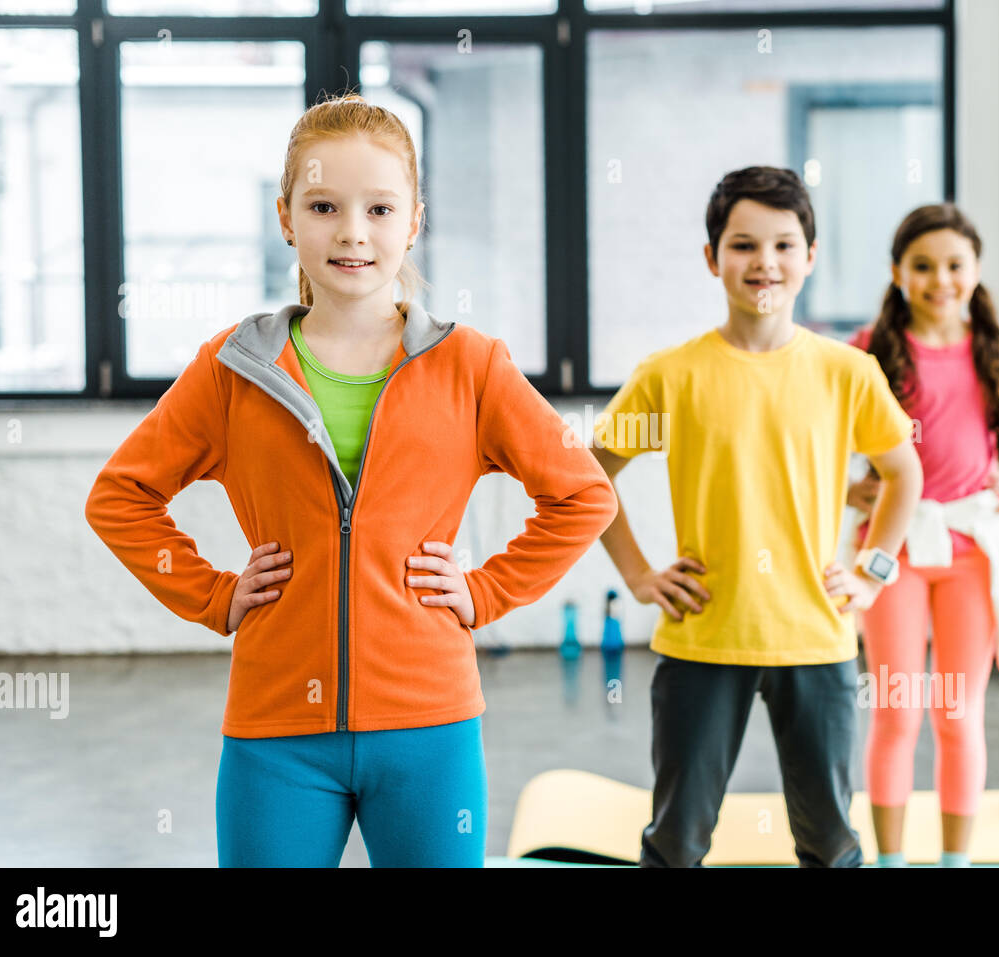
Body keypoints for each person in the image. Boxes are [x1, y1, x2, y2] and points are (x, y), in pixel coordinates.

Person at [84, 92, 618, 867]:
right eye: (325, 205)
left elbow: (583, 494)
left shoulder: (472, 365)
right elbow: (120, 497)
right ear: (286, 217)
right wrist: (213, 593)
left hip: (429, 727)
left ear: (414, 219)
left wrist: (487, 590)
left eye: (379, 207)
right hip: (276, 735)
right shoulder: (235, 369)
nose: (352, 233)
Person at [592, 166, 923, 868]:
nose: (764, 262)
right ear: (712, 258)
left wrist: (872, 574)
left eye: (782, 244)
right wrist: (640, 574)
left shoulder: (848, 373)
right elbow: (590, 477)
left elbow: (904, 474)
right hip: (703, 637)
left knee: (831, 845)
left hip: (818, 636)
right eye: (743, 245)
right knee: (676, 842)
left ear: (810, 255)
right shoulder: (670, 375)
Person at [846, 203, 999, 867]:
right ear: (897, 272)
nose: (939, 278)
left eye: (954, 265)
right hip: (892, 549)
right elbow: (815, 435)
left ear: (976, 270)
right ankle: (889, 860)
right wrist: (843, 487)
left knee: (957, 712)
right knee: (894, 711)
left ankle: (954, 861)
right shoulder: (868, 349)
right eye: (922, 265)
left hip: (972, 551)